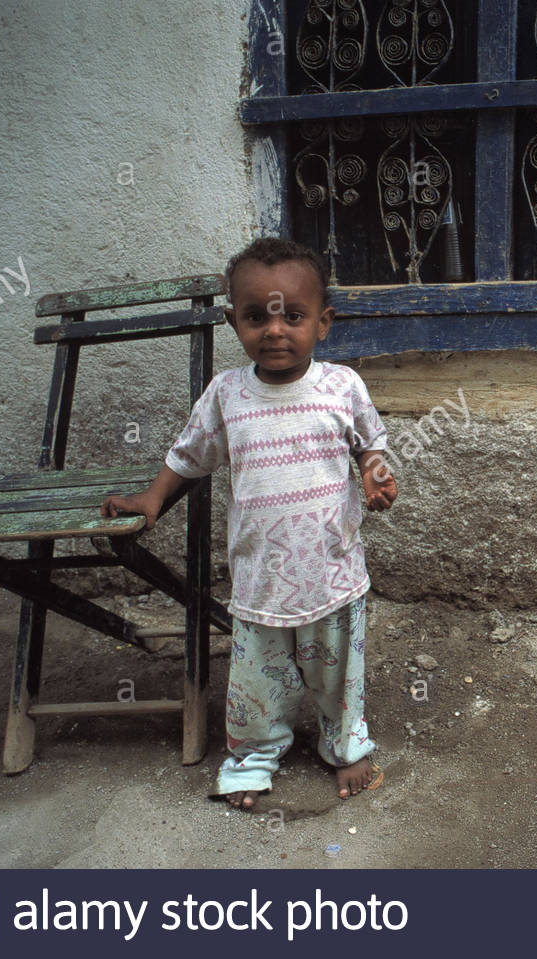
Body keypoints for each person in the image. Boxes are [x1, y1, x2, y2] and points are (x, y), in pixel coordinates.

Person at [100, 237, 397, 810]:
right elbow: (190, 455)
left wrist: (376, 476)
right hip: (260, 581)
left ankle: (345, 743)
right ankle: (255, 754)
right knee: (257, 684)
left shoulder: (342, 386)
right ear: (235, 320)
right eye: (257, 316)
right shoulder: (228, 395)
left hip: (333, 575)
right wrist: (153, 498)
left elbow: (370, 444)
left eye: (293, 316)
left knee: (338, 676)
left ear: (324, 322)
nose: (275, 329)